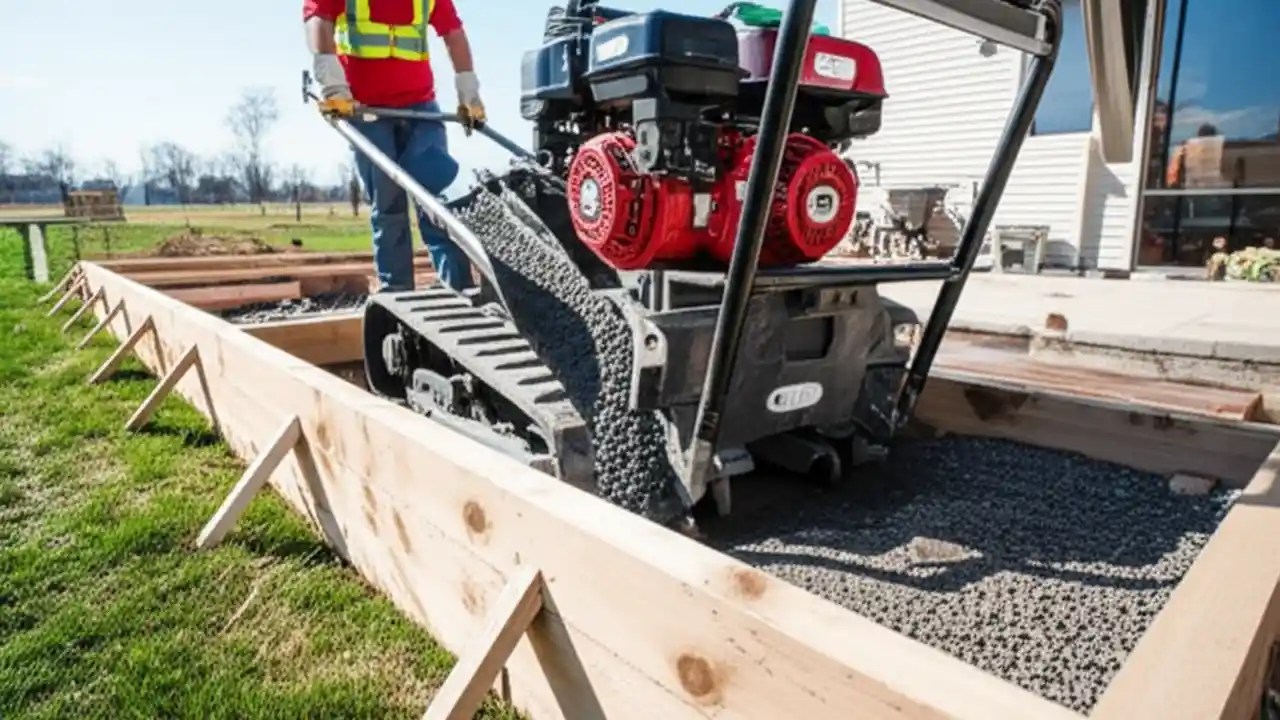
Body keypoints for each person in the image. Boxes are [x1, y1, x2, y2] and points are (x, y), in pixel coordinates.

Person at [303, 0, 485, 292]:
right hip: (365, 110)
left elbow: (453, 32)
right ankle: (397, 297)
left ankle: (461, 290)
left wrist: (468, 92)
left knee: (436, 200)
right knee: (388, 209)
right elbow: (318, 18)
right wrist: (331, 82)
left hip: (421, 107)